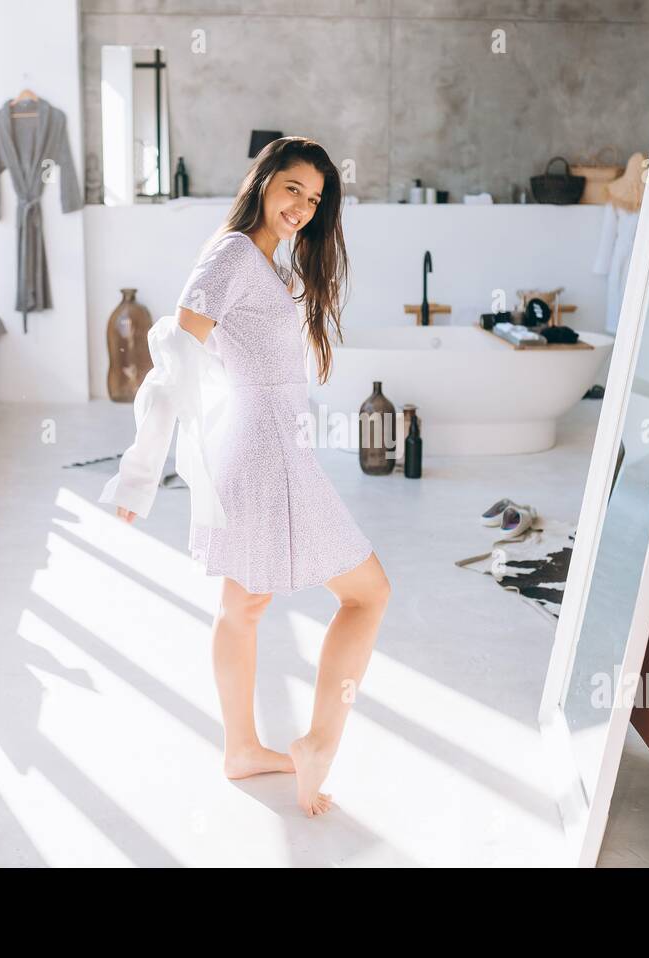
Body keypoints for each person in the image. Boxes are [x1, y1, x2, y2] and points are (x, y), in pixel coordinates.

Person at [103, 137, 391, 817]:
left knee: (244, 606)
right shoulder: (232, 255)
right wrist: (138, 475)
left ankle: (241, 749)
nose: (302, 207)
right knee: (367, 594)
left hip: (270, 447)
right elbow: (174, 361)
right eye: (293, 188)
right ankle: (318, 742)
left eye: (314, 199)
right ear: (263, 182)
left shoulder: (267, 263)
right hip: (267, 455)